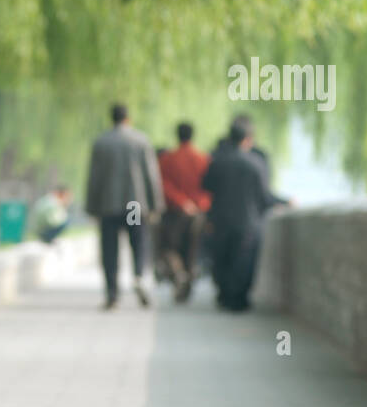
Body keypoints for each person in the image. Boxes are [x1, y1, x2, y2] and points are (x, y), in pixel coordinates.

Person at [85, 103, 163, 308]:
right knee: (138, 243)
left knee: (109, 249)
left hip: (108, 205)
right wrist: (155, 205)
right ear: (128, 118)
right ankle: (138, 275)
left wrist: (91, 206)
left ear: (112, 119)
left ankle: (112, 294)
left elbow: (94, 177)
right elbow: (151, 175)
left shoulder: (101, 142)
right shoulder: (141, 141)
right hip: (134, 205)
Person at [200, 114, 279, 311]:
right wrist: (286, 202)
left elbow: (205, 185)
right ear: (248, 139)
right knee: (243, 261)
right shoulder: (256, 163)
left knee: (222, 258)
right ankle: (238, 300)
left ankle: (224, 296)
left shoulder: (217, 160)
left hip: (220, 220)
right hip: (248, 222)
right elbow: (265, 197)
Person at [157, 122, 210, 302]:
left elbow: (163, 185)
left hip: (175, 212)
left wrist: (182, 202)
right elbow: (209, 187)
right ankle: (186, 284)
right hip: (198, 212)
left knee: (170, 248)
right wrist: (199, 204)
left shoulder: (167, 159)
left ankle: (178, 275)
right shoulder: (203, 159)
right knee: (191, 250)